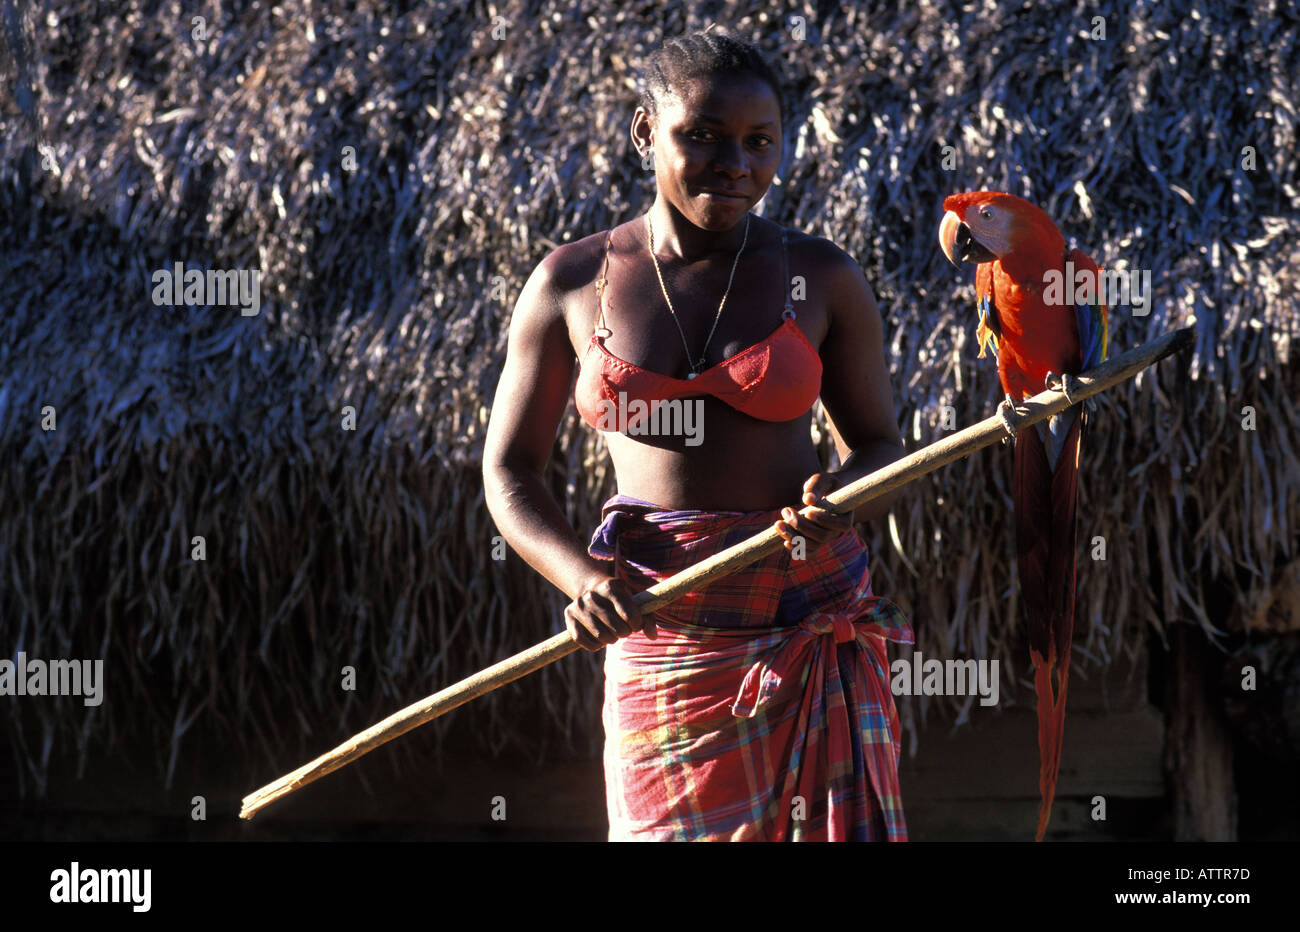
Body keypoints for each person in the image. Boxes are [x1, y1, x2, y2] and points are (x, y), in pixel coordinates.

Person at [482, 30, 913, 841]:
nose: (734, 164)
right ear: (646, 131)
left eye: (760, 142)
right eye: (702, 136)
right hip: (659, 625)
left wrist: (843, 497)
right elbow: (509, 469)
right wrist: (583, 580)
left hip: (804, 612)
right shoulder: (572, 283)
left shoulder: (822, 278)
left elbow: (882, 445)